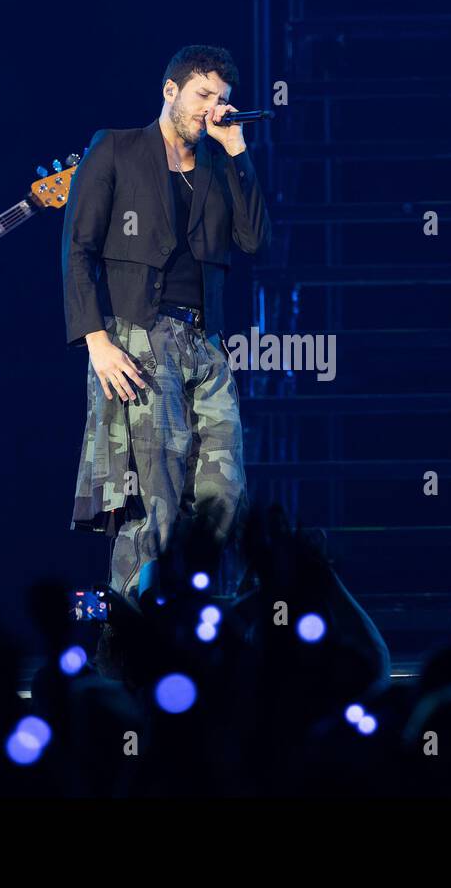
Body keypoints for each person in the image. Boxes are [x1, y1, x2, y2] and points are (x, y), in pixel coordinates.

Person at [63, 45, 271, 601]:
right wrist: (96, 342)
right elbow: (77, 249)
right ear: (170, 91)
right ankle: (122, 640)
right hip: (137, 339)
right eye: (204, 95)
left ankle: (196, 627)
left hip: (205, 342)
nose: (214, 109)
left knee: (224, 497)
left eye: (223, 99)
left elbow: (255, 240)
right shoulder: (116, 150)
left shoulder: (221, 165)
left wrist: (239, 152)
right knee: (150, 500)